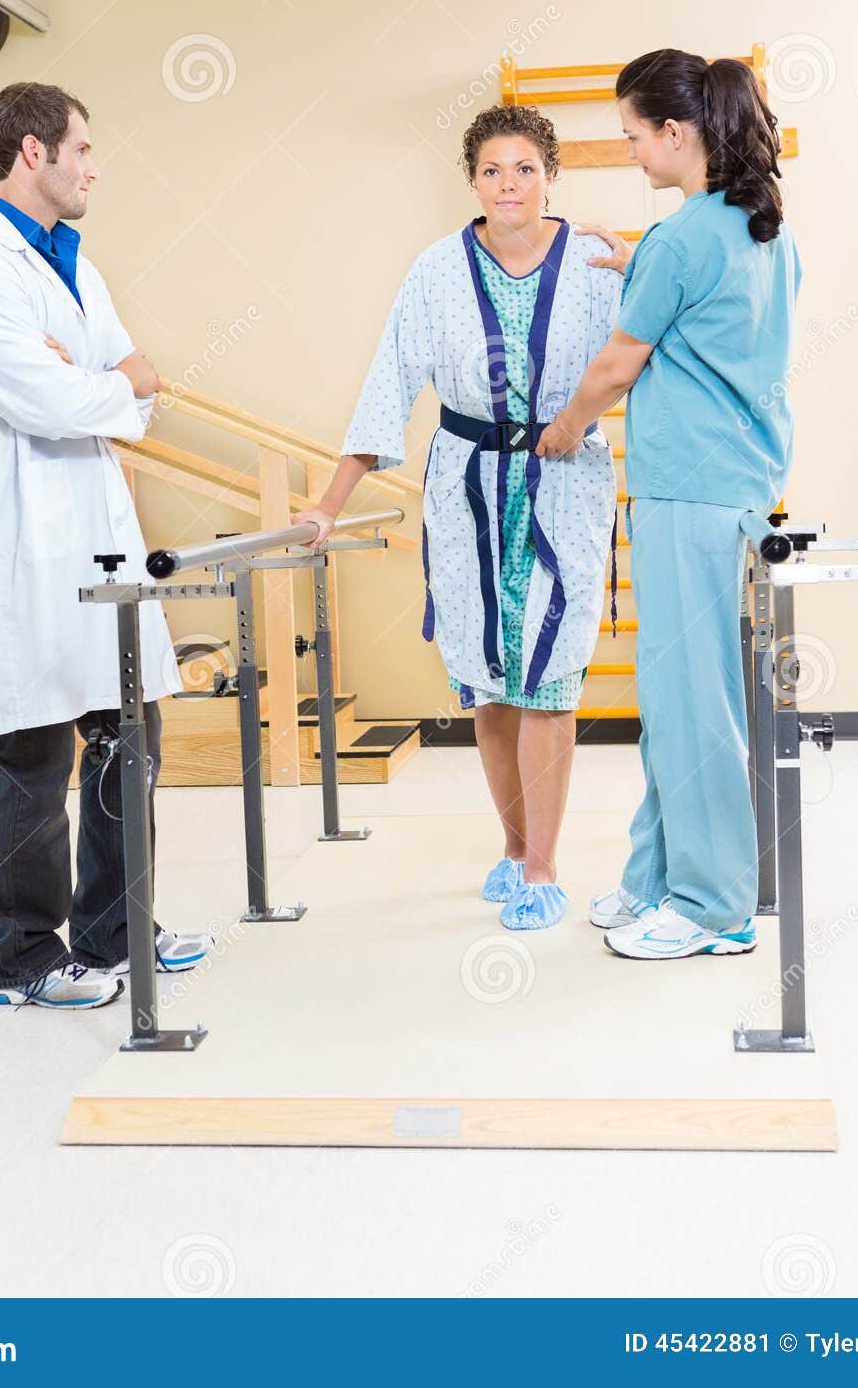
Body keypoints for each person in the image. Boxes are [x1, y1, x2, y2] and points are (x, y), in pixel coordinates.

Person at [297, 106, 623, 930]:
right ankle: (514, 848)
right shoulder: (436, 269)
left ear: (550, 173)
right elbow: (387, 386)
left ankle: (547, 866)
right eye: (490, 170)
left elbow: (642, 353)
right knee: (487, 687)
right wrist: (328, 504)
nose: (508, 185)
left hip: (563, 478)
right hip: (465, 489)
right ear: (470, 179)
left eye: (523, 168)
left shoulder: (596, 258)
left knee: (549, 679)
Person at [0, 82, 210, 1007]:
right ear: (31, 155)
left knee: (131, 727)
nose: (93, 166)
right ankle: (17, 956)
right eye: (81, 148)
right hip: (23, 541)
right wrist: (102, 382)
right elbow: (48, 402)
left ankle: (113, 927)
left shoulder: (75, 270)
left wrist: (97, 380)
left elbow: (142, 391)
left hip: (92, 524)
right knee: (37, 744)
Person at [541, 49, 801, 961]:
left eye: (632, 137)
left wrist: (566, 426)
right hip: (730, 480)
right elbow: (706, 301)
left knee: (692, 704)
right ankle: (657, 876)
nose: (629, 154)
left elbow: (617, 364)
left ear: (675, 132)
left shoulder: (685, 238)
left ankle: (712, 906)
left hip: (687, 486)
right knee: (675, 692)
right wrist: (637, 252)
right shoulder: (755, 225)